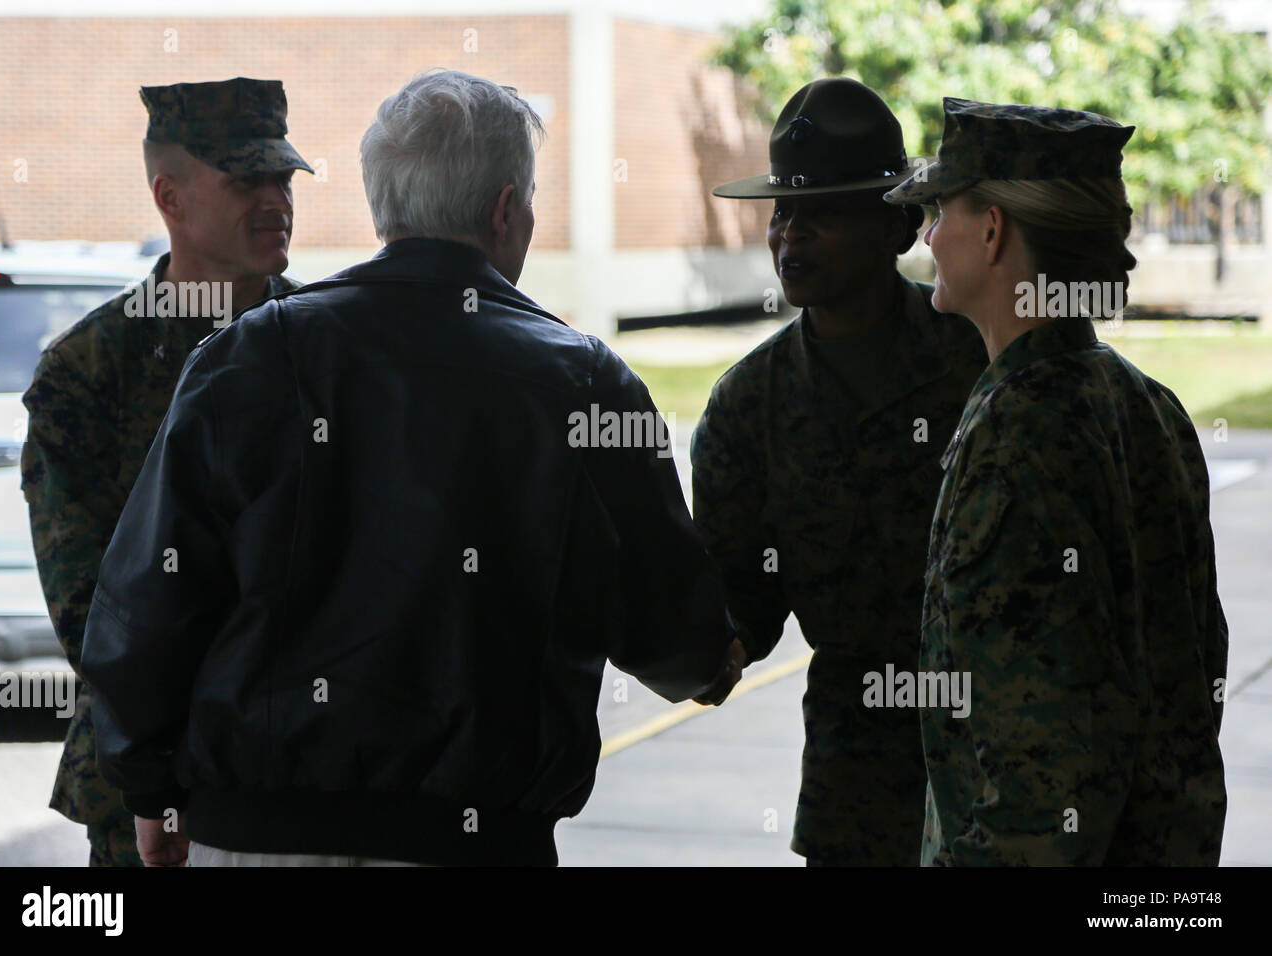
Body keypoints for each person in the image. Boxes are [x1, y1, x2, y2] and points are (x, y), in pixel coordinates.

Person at [80, 69, 741, 868]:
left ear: (380, 205)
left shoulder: (248, 355)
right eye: (528, 203)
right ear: (504, 209)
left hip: (249, 837)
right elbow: (668, 623)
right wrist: (716, 655)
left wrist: (148, 787)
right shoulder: (584, 384)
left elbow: (147, 599)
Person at [885, 97, 1228, 865]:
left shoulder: (1017, 436)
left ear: (994, 229)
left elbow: (1042, 791)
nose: (930, 236)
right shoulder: (1147, 405)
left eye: (941, 210)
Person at [691, 78, 988, 865]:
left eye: (820, 215)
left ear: (897, 226)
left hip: (1008, 758)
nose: (790, 237)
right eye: (782, 214)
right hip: (857, 782)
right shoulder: (746, 407)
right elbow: (735, 619)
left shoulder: (980, 355)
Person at [21, 76, 312, 868]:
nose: (276, 200)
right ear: (170, 198)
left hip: (314, 767)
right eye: (246, 179)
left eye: (283, 177)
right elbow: (93, 611)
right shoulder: (89, 371)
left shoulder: (332, 348)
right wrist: (171, 774)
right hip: (153, 784)